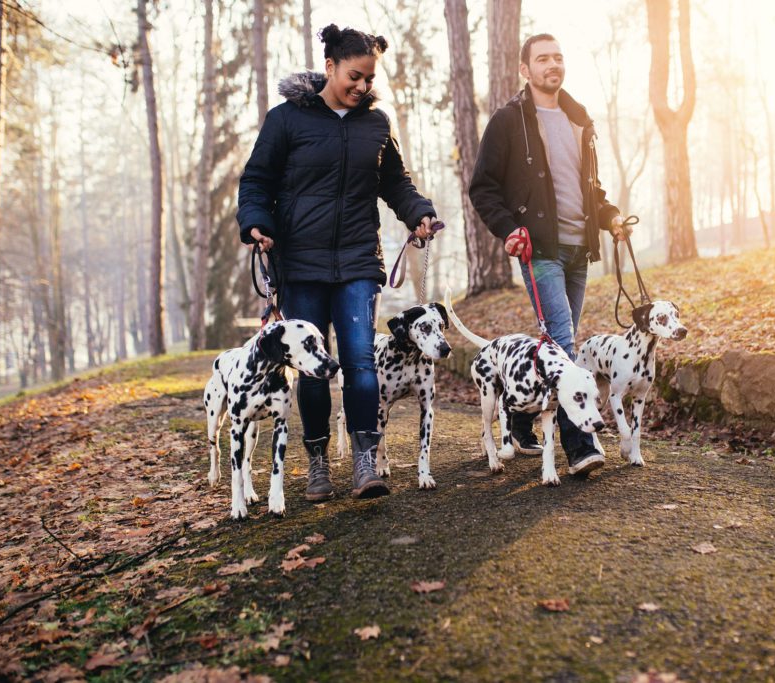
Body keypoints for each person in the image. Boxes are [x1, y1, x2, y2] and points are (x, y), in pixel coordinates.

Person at [236, 24, 439, 500]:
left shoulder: (376, 124)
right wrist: (256, 222)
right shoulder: (287, 119)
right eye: (354, 76)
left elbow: (396, 182)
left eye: (369, 78)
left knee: (359, 360)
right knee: (311, 364)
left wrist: (419, 212)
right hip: (299, 261)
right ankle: (319, 462)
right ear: (330, 67)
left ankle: (365, 463)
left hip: (357, 260)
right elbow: (256, 179)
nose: (362, 86)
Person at [469, 33, 631, 475]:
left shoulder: (580, 119)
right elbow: (482, 187)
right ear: (525, 70)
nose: (552, 64)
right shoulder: (508, 121)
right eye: (542, 59)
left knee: (560, 344)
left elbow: (589, 189)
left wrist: (611, 217)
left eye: (558, 56)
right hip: (540, 249)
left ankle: (520, 424)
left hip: (580, 250)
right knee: (564, 346)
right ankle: (581, 446)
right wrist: (508, 229)